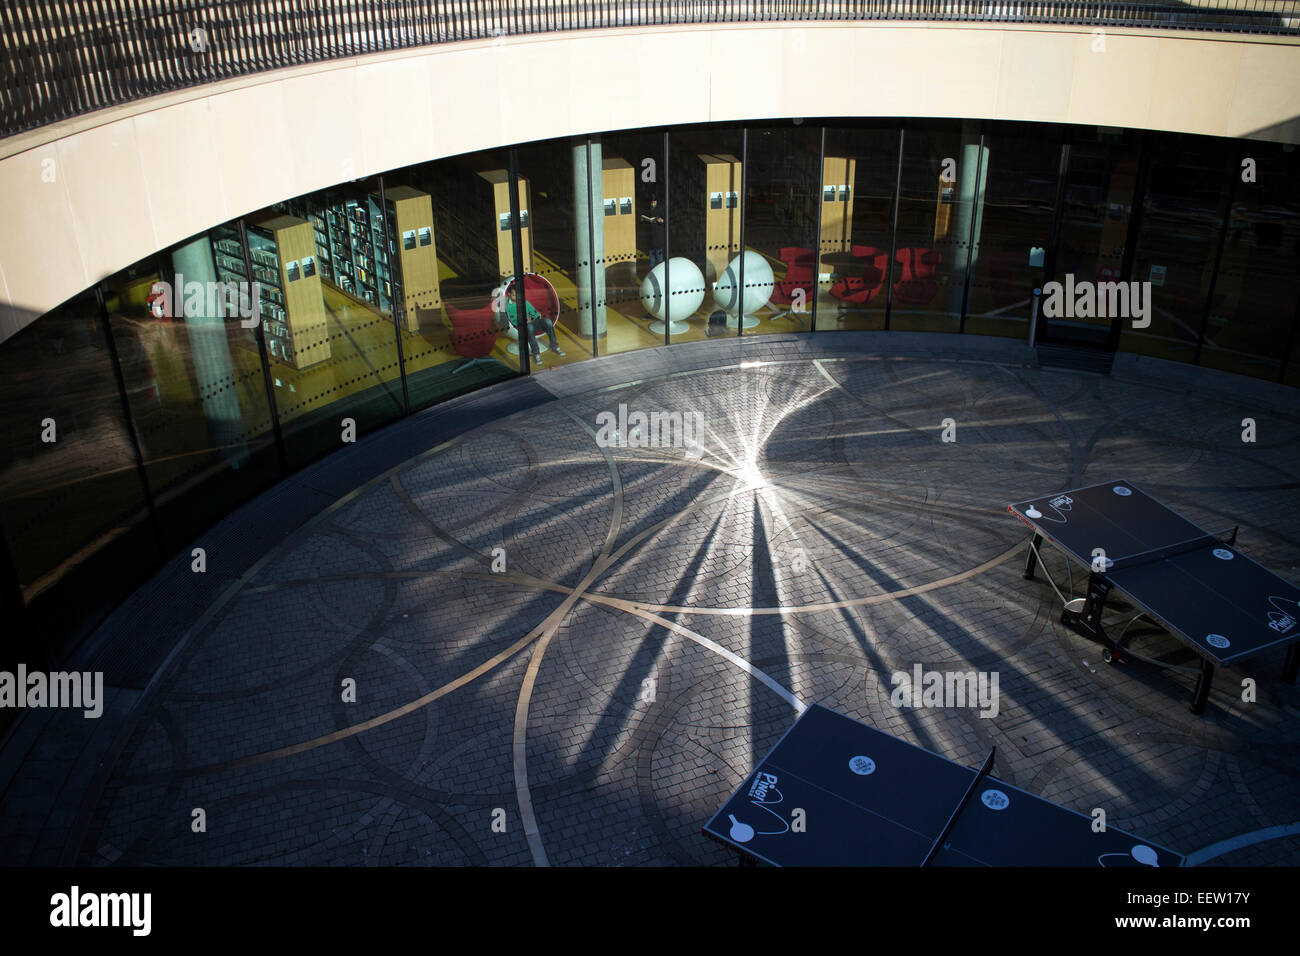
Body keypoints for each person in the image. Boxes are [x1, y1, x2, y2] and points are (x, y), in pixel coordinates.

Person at [492, 284, 565, 363]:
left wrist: (531, 318)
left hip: (532, 322)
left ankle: (554, 346)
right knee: (529, 327)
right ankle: (536, 353)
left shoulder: (524, 302)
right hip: (521, 326)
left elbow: (537, 314)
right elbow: (511, 319)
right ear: (509, 294)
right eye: (513, 295)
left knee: (548, 321)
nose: (516, 297)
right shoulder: (506, 306)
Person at [641, 196, 666, 268]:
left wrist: (661, 221)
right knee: (651, 250)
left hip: (658, 232)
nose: (653, 204)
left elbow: (665, 221)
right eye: (652, 202)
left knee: (659, 250)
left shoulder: (661, 209)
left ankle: (661, 264)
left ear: (657, 202)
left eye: (654, 202)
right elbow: (644, 219)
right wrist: (643, 219)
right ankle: (652, 263)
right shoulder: (647, 209)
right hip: (650, 233)